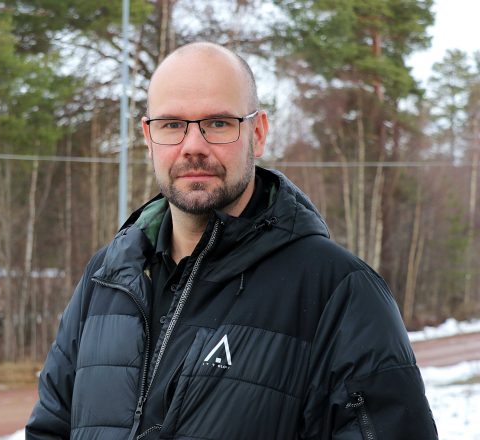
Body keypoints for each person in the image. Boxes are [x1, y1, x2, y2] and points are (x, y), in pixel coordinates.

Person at [26, 42, 438, 440]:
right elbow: (50, 429)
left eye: (218, 123)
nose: (193, 147)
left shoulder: (338, 291)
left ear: (257, 133)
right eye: (172, 125)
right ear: (148, 138)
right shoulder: (108, 277)